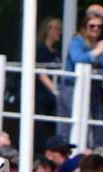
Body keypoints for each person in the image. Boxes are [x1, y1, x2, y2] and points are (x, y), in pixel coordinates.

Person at [66, 13, 103, 149]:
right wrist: (96, 51)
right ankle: (71, 151)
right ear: (85, 27)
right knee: (71, 123)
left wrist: (98, 72)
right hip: (72, 88)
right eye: (92, 26)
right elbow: (78, 59)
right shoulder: (77, 41)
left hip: (94, 88)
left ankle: (100, 151)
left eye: (99, 26)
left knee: (97, 122)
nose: (96, 29)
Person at [35, 18, 65, 147]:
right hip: (42, 95)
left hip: (52, 98)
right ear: (48, 30)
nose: (59, 32)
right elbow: (42, 74)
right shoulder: (41, 50)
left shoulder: (56, 53)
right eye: (57, 29)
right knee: (42, 126)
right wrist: (57, 92)